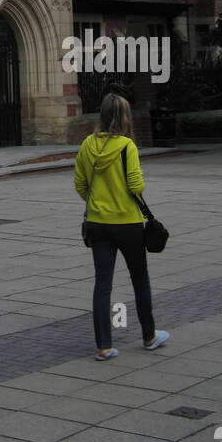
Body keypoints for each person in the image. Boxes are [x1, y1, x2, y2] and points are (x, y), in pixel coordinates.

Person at [74, 91, 170, 360]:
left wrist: (98, 201)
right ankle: (149, 336)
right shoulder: (127, 146)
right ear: (125, 117)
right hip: (127, 223)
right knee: (140, 278)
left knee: (103, 283)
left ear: (102, 116)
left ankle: (104, 346)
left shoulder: (86, 145)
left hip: (96, 223)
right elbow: (136, 186)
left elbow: (80, 184)